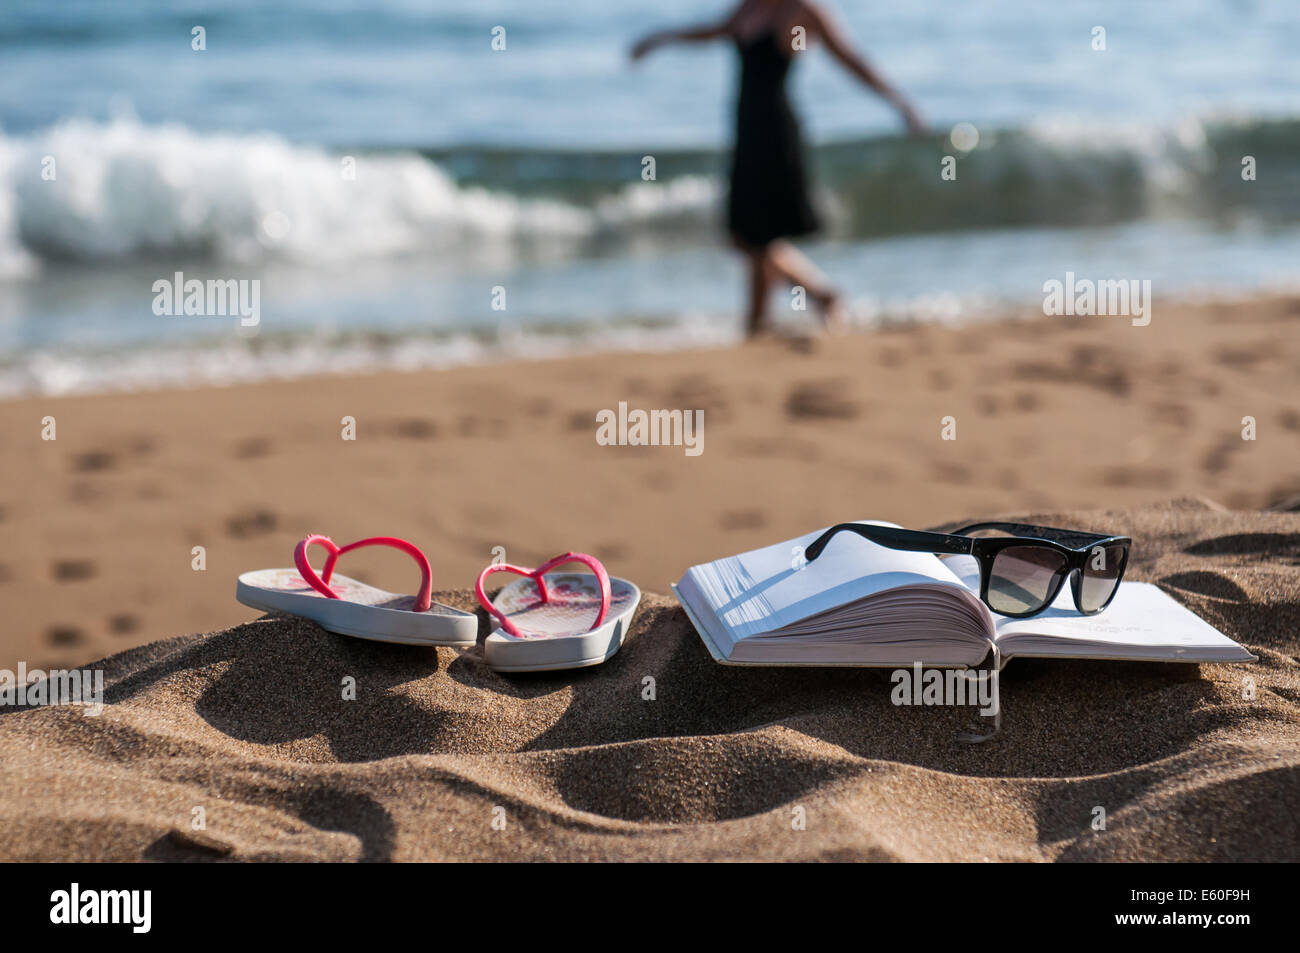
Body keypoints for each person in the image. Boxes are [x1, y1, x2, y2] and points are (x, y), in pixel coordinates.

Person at [631, 0, 926, 337]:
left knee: (759, 236)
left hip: (775, 134)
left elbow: (849, 59)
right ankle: (817, 295)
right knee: (745, 237)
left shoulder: (802, 13)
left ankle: (758, 324)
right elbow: (711, 32)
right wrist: (659, 39)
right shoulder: (748, 8)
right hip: (746, 133)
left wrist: (898, 101)